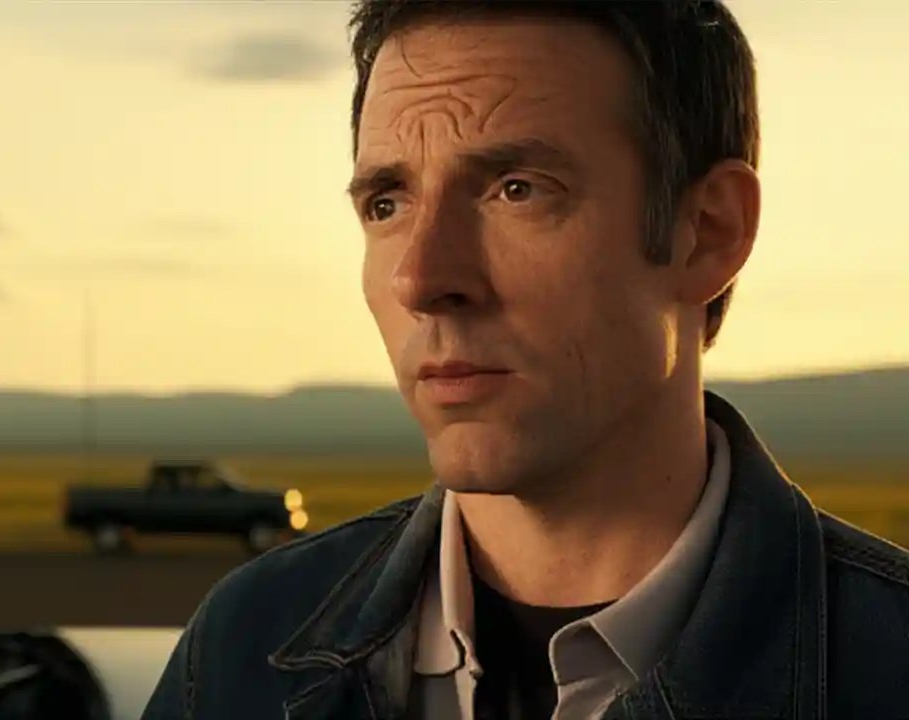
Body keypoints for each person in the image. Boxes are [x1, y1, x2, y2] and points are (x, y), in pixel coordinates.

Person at [142, 2, 909, 718]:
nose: (421, 279)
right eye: (387, 202)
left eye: (516, 189)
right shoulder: (245, 645)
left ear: (708, 231)